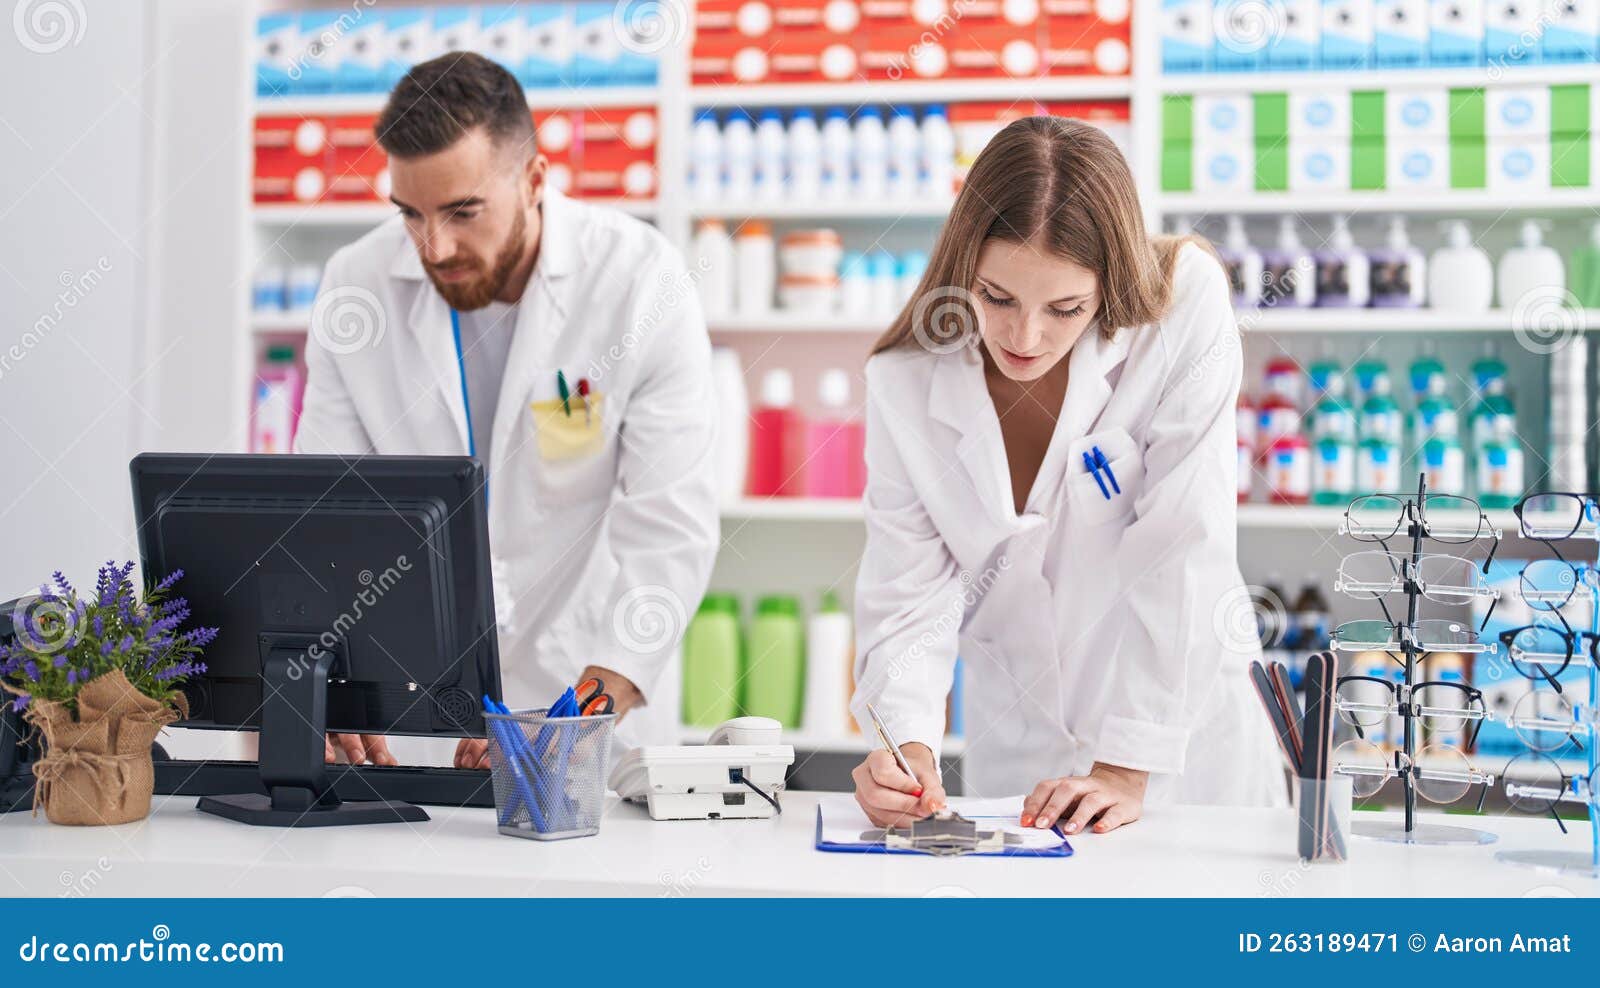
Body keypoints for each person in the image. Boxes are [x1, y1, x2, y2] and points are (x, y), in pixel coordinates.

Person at [849, 117, 1282, 836]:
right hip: (1022, 756)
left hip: (1179, 757)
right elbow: (908, 596)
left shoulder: (1180, 308)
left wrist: (1126, 764)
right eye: (996, 298)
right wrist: (905, 746)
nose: (1024, 338)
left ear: (1108, 288)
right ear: (964, 268)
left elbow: (1183, 544)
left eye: (1066, 308)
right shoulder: (905, 381)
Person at [294, 53, 718, 768]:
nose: (435, 247)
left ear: (534, 179)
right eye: (411, 215)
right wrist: (321, 681)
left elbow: (670, 529)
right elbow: (327, 512)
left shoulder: (640, 282)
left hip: (586, 687)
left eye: (463, 212)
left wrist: (580, 714)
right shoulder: (356, 285)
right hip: (407, 701)